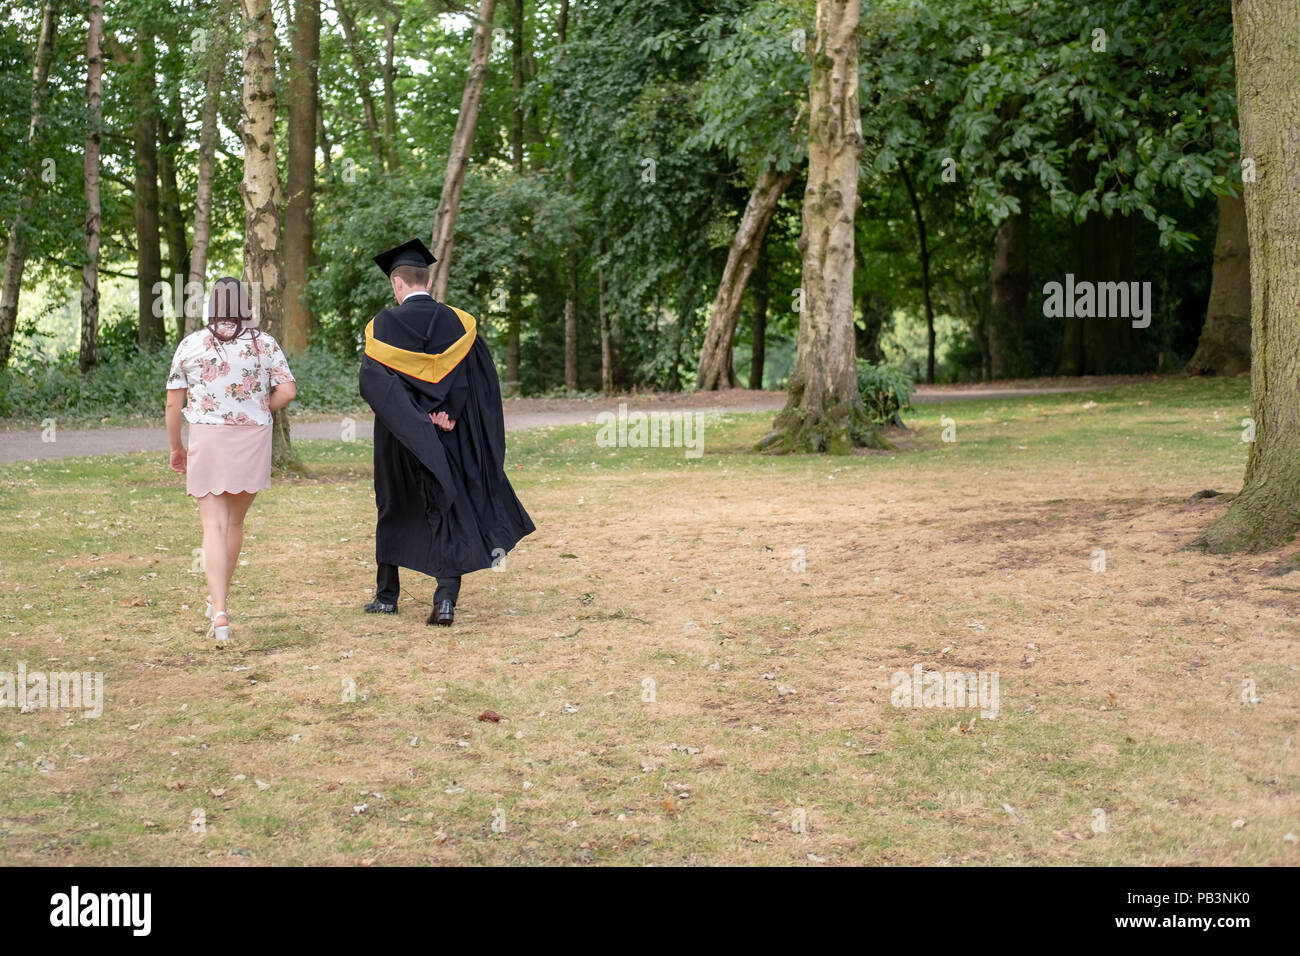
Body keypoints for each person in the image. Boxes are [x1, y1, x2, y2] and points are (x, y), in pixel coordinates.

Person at [358, 237, 534, 626]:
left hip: (401, 439)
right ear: (427, 281)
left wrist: (416, 421)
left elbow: (377, 385)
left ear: (397, 283)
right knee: (449, 505)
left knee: (394, 505)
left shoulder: (383, 325)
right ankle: (446, 600)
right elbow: (475, 380)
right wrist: (447, 412)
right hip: (449, 434)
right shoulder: (460, 323)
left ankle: (387, 597)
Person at [165, 277, 297, 641]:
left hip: (208, 438)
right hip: (252, 439)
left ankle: (219, 613)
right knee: (234, 525)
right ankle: (217, 600)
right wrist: (260, 408)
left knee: (213, 527)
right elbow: (287, 390)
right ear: (245, 305)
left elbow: (174, 404)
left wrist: (177, 447)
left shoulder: (191, 344)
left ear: (212, 305)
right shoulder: (264, 343)